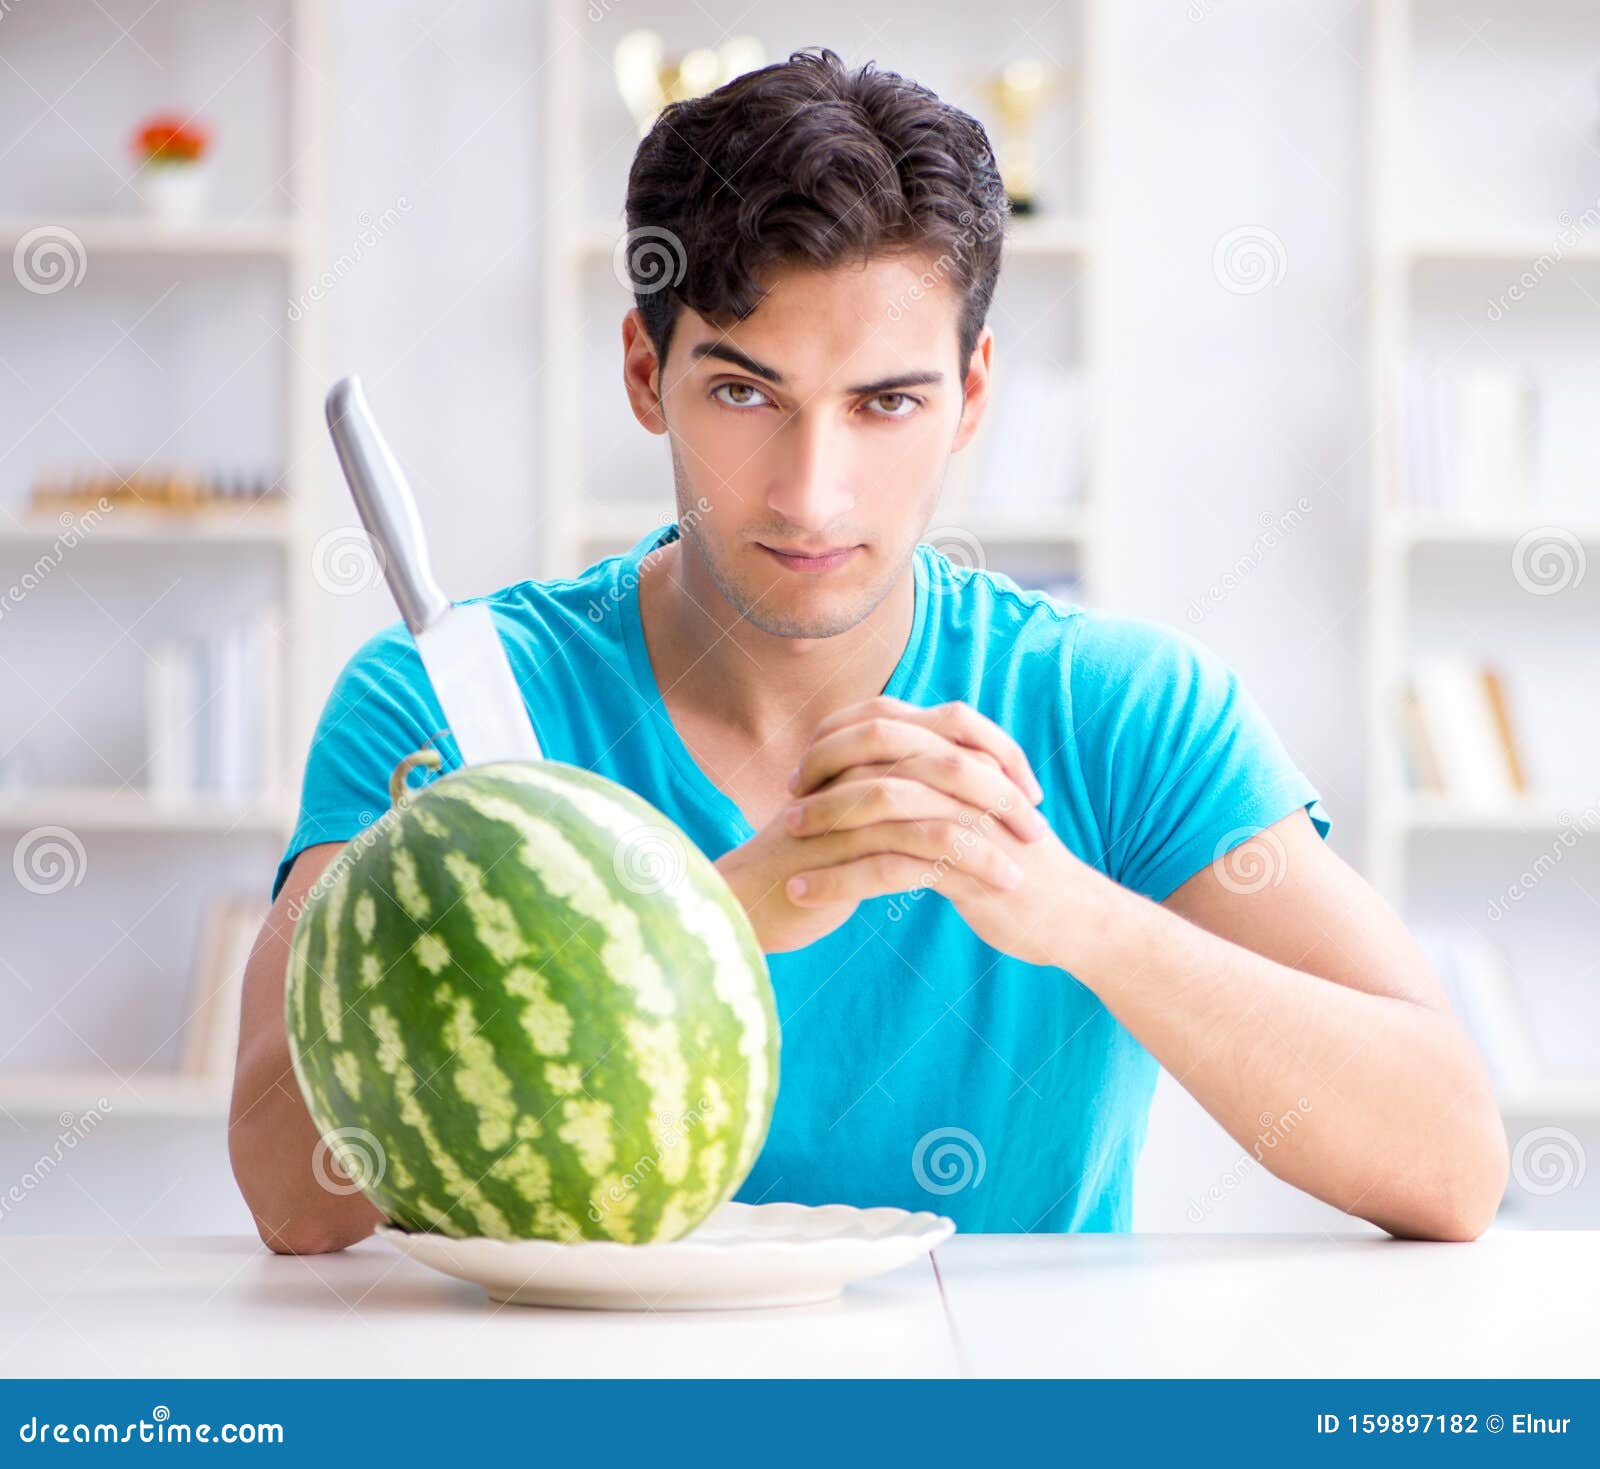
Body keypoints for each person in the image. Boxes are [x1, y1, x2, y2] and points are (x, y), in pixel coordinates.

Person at [229, 48, 1507, 1254]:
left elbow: (1451, 1162)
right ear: (642, 369)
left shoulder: (1122, 711)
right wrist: (713, 919)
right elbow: (295, 1194)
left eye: (886, 402)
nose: (811, 494)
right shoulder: (445, 704)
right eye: (744, 393)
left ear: (975, 395)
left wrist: (1073, 913)